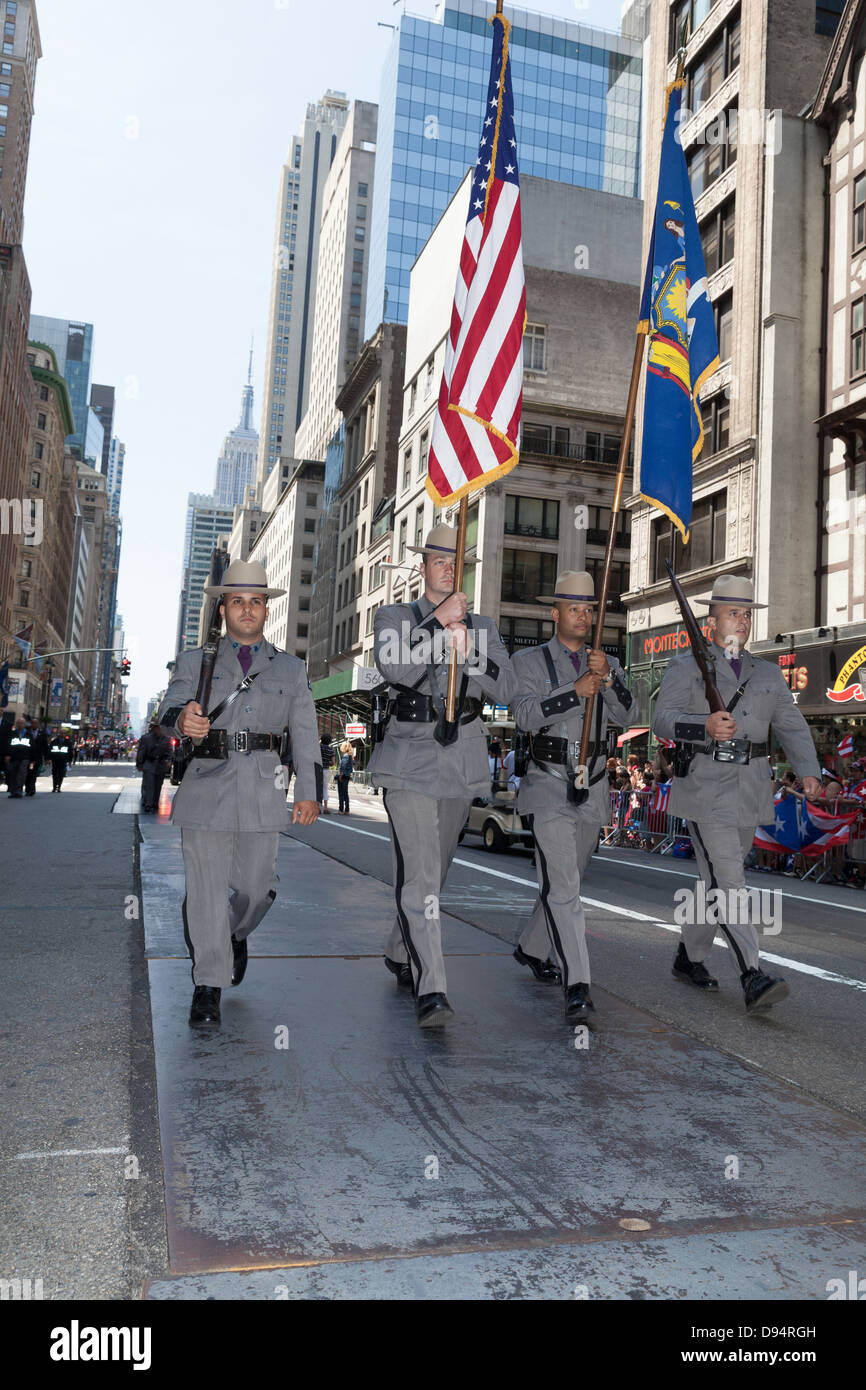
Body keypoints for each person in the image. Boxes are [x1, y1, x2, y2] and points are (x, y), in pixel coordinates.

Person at [158, 559, 322, 1027]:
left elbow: (306, 735)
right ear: (223, 609)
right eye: (237, 601)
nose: (247, 609)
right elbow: (170, 706)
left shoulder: (290, 669)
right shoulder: (197, 661)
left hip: (264, 791)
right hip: (206, 785)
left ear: (266, 610)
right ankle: (208, 984)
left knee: (254, 889)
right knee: (207, 891)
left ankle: (233, 934)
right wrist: (182, 719)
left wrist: (309, 792)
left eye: (255, 601)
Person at [652, 573, 822, 1012]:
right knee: (730, 882)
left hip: (750, 788)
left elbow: (790, 724)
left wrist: (808, 770)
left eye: (747, 615)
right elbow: (662, 719)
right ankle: (753, 973)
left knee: (714, 881)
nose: (742, 621)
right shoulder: (686, 666)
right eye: (734, 613)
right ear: (712, 622)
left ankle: (688, 958)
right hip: (706, 787)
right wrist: (703, 725)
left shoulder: (766, 672)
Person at [368, 523, 515, 1028]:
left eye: (455, 562)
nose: (447, 568)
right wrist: (436, 625)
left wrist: (466, 644)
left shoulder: (485, 627)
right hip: (408, 758)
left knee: (435, 871)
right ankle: (432, 987)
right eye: (438, 560)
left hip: (461, 759)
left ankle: (397, 946)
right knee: (423, 876)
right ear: (423, 566)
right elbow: (393, 667)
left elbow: (506, 687)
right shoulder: (393, 616)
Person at [511, 571, 637, 1026]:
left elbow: (629, 713)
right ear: (555, 613)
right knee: (564, 888)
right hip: (548, 783)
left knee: (568, 882)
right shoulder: (528, 661)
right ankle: (578, 986)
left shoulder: (607, 662)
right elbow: (523, 715)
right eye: (574, 609)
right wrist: (574, 692)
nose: (583, 617)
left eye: (589, 610)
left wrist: (608, 679)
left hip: (595, 782)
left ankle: (531, 947)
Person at [136, 720, 173, 812]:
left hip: (161, 765)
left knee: (158, 785)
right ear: (154, 728)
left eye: (160, 727)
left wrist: (169, 760)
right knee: (149, 785)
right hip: (149, 763)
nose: (159, 729)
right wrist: (139, 764)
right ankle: (148, 803)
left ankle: (155, 803)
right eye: (157, 727)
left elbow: (170, 752)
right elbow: (141, 752)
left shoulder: (167, 738)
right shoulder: (146, 738)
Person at [5, 716, 34, 798]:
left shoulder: (29, 734)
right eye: (19, 723)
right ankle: (13, 791)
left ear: (25, 725)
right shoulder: (12, 734)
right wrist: (7, 755)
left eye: (22, 723)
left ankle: (19, 791)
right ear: (17, 724)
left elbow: (32, 747)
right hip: (13, 757)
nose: (20, 724)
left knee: (21, 774)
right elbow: (8, 745)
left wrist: (33, 759)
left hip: (24, 758)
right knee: (13, 774)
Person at [24, 717, 48, 796]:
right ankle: (28, 789)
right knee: (28, 773)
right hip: (28, 757)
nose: (34, 725)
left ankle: (31, 790)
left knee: (33, 774)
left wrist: (47, 758)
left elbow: (45, 747)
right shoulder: (27, 733)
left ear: (38, 725)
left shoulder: (42, 734)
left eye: (36, 723)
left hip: (37, 759)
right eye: (33, 723)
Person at [336, 740, 354, 814]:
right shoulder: (350, 757)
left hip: (343, 776)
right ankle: (347, 810)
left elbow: (342, 767)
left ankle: (341, 809)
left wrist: (340, 775)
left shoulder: (345, 757)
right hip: (347, 776)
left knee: (341, 793)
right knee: (345, 793)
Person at [319, 732, 334, 814]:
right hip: (326, 770)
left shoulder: (319, 748)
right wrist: (327, 762)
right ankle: (326, 807)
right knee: (325, 788)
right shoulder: (331, 749)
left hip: (319, 770)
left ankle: (318, 807)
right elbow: (333, 763)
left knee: (317, 788)